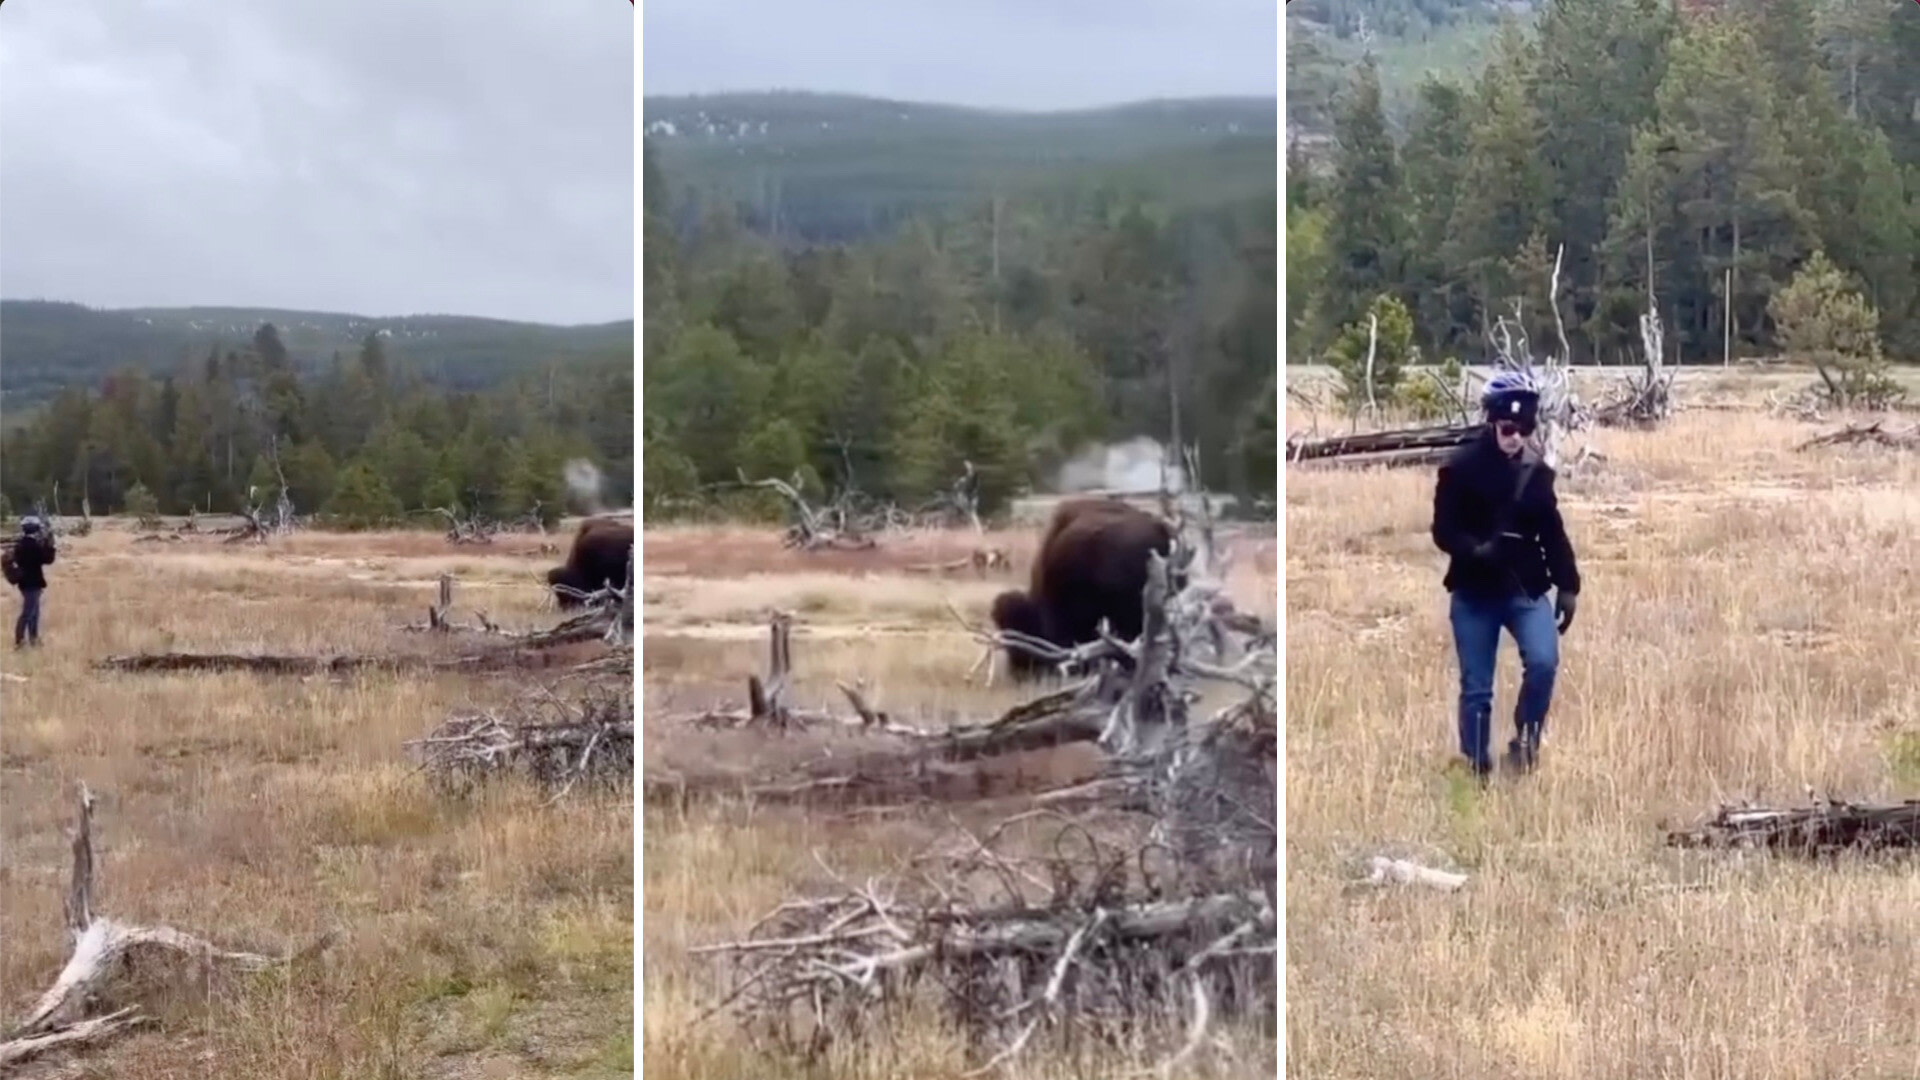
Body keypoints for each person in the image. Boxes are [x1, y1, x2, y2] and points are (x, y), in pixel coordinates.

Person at [1430, 372, 1581, 779]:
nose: (1515, 438)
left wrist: (1568, 585)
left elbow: (1553, 531)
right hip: (1474, 593)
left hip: (1525, 589)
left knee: (1545, 663)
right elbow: (1442, 530)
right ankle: (1477, 767)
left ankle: (1526, 745)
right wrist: (1475, 550)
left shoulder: (1537, 474)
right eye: (1508, 428)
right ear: (1492, 423)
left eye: (1525, 429)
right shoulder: (1460, 469)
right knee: (1477, 688)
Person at [7, 516, 56, 649]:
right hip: (33, 583)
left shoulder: (20, 545)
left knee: (34, 613)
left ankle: (33, 640)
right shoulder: (33, 546)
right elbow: (47, 559)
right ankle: (21, 641)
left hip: (24, 582)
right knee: (28, 613)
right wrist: (50, 545)